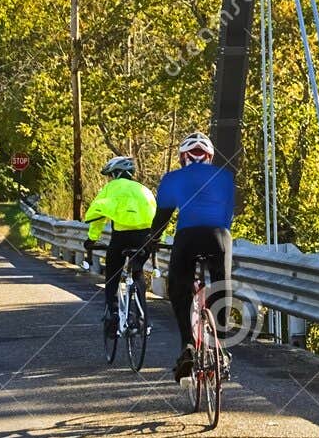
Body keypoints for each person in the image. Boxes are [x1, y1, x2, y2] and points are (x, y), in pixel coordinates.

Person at [146, 131, 235, 378]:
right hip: (218, 235)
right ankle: (220, 349)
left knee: (179, 287)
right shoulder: (225, 177)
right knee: (221, 285)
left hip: (186, 237)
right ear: (210, 157)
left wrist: (152, 243)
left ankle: (187, 344)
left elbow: (162, 219)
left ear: (182, 158)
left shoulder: (172, 179)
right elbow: (228, 214)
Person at [84, 156, 157, 335]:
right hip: (144, 238)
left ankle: (113, 315)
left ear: (115, 173)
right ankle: (143, 320)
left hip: (121, 237)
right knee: (138, 272)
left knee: (113, 274)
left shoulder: (110, 188)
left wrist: (92, 238)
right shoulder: (145, 190)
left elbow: (98, 214)